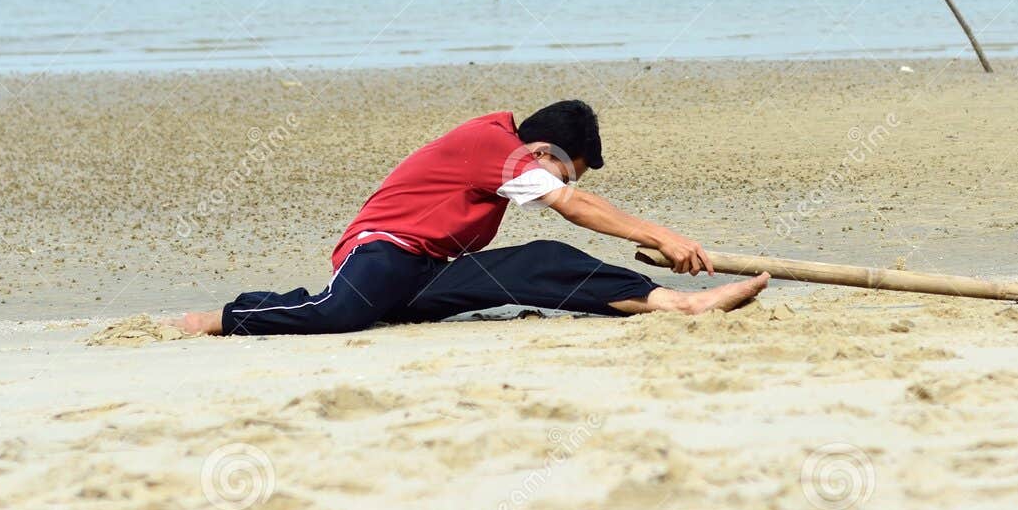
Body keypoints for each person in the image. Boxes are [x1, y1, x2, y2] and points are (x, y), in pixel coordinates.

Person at [171, 100, 769, 336]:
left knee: (544, 262)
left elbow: (568, 205)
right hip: (380, 251)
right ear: (542, 155)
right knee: (342, 314)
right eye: (565, 172)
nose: (563, 185)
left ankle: (676, 303)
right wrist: (662, 234)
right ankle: (216, 318)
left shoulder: (511, 160)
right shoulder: (491, 144)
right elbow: (573, 205)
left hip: (429, 270)